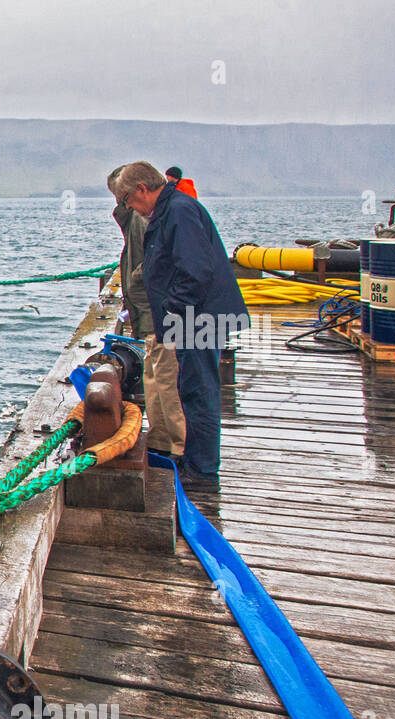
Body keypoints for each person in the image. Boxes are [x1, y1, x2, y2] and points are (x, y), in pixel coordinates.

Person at [116, 161, 248, 492]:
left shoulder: (179, 212)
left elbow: (195, 271)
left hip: (198, 319)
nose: (130, 207)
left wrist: (173, 311)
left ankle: (203, 472)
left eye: (129, 199)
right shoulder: (170, 211)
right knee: (191, 390)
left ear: (143, 189)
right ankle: (195, 461)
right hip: (192, 318)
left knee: (199, 393)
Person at [106, 166, 186, 463]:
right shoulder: (137, 218)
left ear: (139, 191)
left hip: (157, 312)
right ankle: (162, 441)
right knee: (154, 377)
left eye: (123, 197)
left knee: (164, 379)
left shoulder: (144, 221)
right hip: (148, 311)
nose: (122, 204)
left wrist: (139, 281)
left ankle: (176, 448)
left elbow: (155, 263)